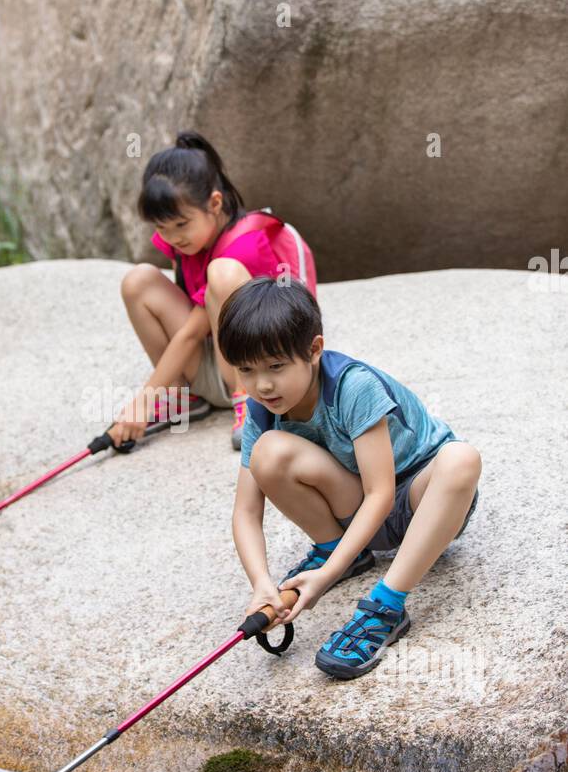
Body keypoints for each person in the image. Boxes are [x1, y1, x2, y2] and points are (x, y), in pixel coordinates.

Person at [220, 276, 481, 679]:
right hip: (356, 509)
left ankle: (386, 607)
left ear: (314, 350)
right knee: (268, 453)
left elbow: (381, 493)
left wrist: (324, 579)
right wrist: (262, 584)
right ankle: (342, 553)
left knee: (461, 459)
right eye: (246, 370)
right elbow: (245, 512)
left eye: (275, 366)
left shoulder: (351, 386)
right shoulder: (261, 409)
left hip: (421, 503)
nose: (263, 384)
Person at [107, 130, 316, 449]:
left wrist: (144, 399)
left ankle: (252, 402)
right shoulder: (185, 242)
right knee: (138, 281)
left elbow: (192, 332)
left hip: (255, 369)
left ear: (215, 203)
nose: (172, 237)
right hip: (212, 361)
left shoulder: (243, 248)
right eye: (162, 227)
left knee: (222, 272)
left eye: (181, 225)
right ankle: (182, 397)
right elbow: (188, 312)